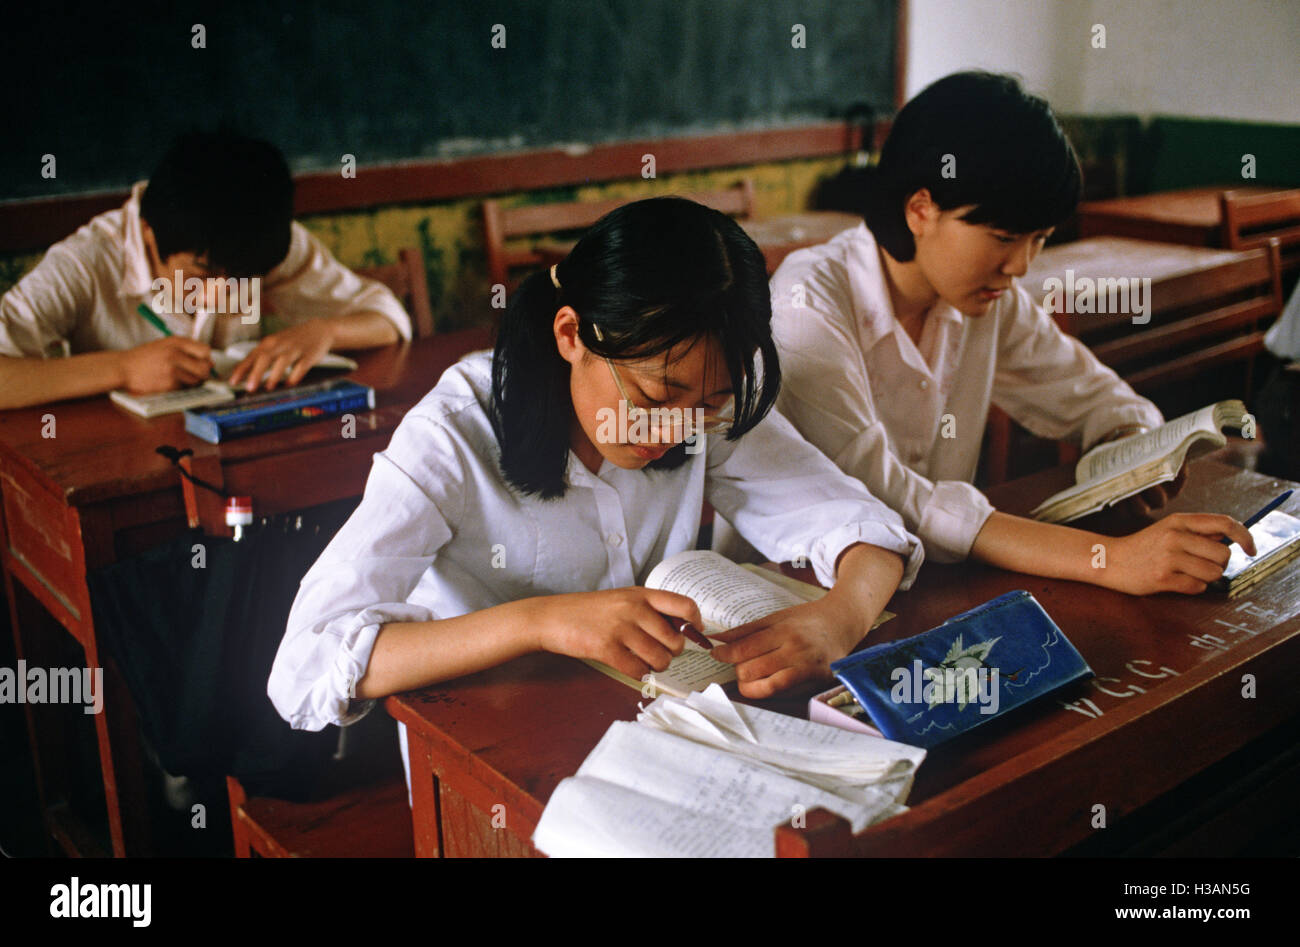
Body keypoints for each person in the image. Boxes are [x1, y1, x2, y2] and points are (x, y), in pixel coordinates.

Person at [269, 196, 923, 749]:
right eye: (653, 398)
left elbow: (864, 528)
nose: (675, 431)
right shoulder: (454, 433)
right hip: (491, 750)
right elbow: (303, 666)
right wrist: (541, 621)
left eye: (708, 406)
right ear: (571, 335)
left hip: (658, 732)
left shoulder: (698, 388)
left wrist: (841, 618)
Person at [752, 72, 1254, 595]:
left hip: (930, 588)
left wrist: (1134, 453)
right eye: (1004, 237)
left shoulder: (987, 299)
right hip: (790, 593)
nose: (1020, 265)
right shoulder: (806, 304)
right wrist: (1110, 560)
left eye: (1040, 238)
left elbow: (1097, 397)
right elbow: (885, 495)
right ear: (921, 210)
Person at [0, 131, 410, 410]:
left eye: (239, 281)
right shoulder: (87, 262)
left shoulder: (255, 240)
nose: (218, 296)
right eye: (200, 277)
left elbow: (389, 319)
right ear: (148, 233)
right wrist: (122, 368)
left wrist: (326, 331)